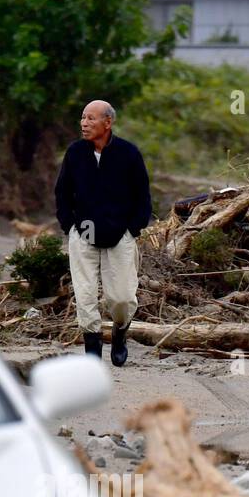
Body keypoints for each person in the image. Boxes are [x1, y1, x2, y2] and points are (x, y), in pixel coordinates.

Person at [54, 99, 152, 367]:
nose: (84, 123)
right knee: (85, 295)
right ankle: (92, 348)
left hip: (120, 234)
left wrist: (134, 228)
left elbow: (143, 196)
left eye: (91, 118)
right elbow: (62, 192)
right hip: (82, 233)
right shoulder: (75, 153)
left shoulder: (129, 154)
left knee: (121, 297)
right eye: (83, 118)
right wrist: (69, 226)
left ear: (108, 123)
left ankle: (120, 333)